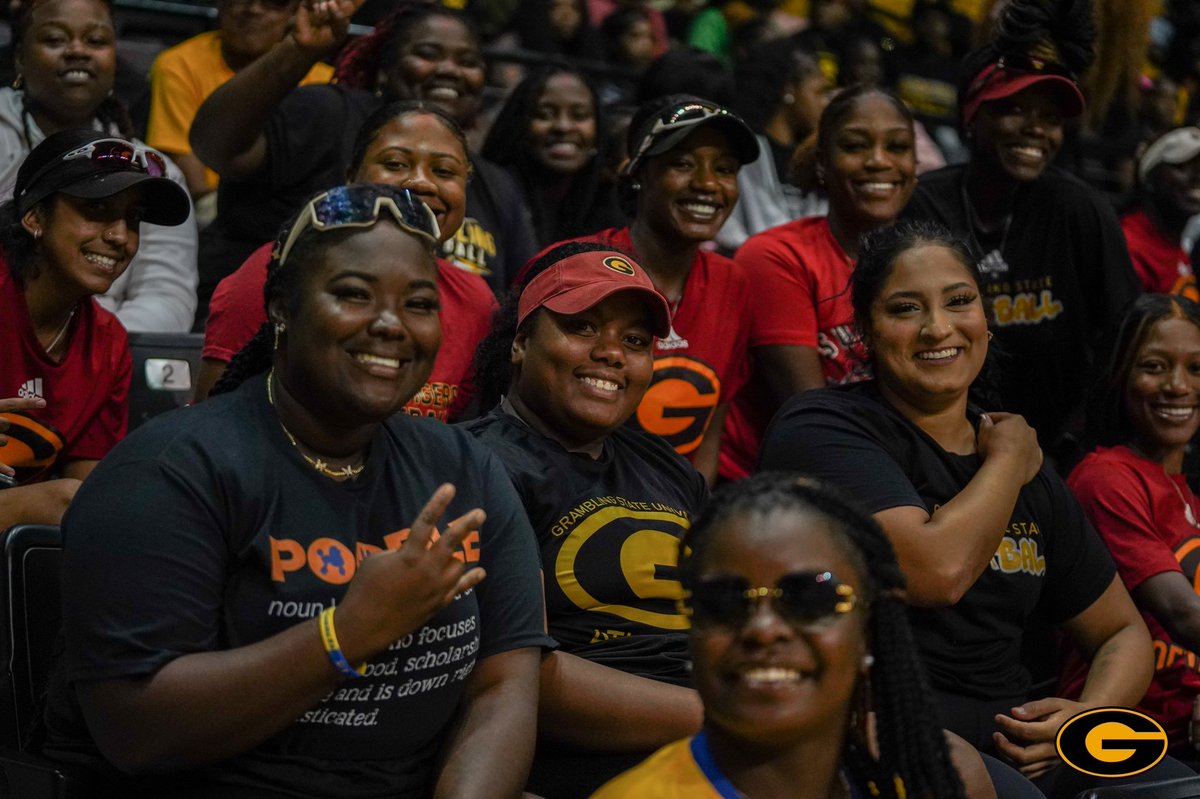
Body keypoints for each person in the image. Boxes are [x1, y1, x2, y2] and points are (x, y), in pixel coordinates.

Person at [40, 184, 550, 796]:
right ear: (281, 305)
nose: (392, 326)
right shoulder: (167, 473)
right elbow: (135, 731)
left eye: (419, 304)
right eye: (354, 295)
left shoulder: (466, 468)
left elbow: (505, 681)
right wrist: (349, 634)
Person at [759, 221, 1159, 797]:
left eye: (959, 301)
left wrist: (1083, 717)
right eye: (905, 308)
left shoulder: (1019, 459)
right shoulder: (824, 428)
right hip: (889, 736)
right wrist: (1007, 462)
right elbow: (934, 573)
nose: (937, 328)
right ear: (866, 332)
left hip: (1023, 741)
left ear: (986, 322)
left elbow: (1123, 631)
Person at [465, 242, 707, 797]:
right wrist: (726, 716)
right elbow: (516, 676)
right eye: (582, 327)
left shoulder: (668, 469)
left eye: (635, 341)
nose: (612, 353)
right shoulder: (474, 463)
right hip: (589, 754)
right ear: (521, 342)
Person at [592, 474, 970, 799]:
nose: (763, 629)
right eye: (722, 602)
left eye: (811, 598)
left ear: (867, 634)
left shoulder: (902, 787)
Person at [900, 0, 1140, 459]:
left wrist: (1080, 438)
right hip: (942, 445)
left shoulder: (1081, 210)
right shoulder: (925, 204)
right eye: (1013, 109)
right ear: (973, 116)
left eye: (1050, 118)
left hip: (1059, 451)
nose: (1036, 130)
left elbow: (1122, 338)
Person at [190, 0, 536, 315]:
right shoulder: (330, 113)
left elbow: (519, 297)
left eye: (468, 61)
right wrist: (298, 50)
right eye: (429, 53)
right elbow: (217, 147)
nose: (450, 70)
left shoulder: (496, 183)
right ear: (384, 71)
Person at [195, 101, 496, 423]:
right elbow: (211, 420)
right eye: (395, 164)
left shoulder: (475, 301)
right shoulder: (276, 272)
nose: (421, 183)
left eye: (444, 171)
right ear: (351, 179)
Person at [720, 86, 917, 481]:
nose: (879, 161)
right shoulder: (776, 257)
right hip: (775, 487)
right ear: (824, 163)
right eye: (857, 146)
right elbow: (813, 418)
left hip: (883, 467)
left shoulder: (924, 263)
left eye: (896, 147)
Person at [0, 130, 190, 530]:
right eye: (97, 208)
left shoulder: (108, 344)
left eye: (132, 218)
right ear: (34, 216)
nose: (120, 236)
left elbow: (92, 498)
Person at [570, 94, 758, 484]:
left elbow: (709, 432)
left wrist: (691, 517)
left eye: (724, 169)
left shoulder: (732, 283)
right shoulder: (576, 268)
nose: (707, 184)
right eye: (682, 164)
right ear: (638, 172)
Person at [1, 0, 199, 333]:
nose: (77, 51)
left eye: (96, 41)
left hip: (107, 352)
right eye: (54, 39)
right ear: (20, 58)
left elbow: (168, 300)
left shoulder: (153, 173)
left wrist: (80, 344)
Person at [1063, 295, 1200, 755]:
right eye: (1155, 366)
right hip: (1126, 737)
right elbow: (1182, 615)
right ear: (1121, 376)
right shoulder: (1106, 478)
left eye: (1196, 369)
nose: (1178, 386)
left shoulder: (1189, 489)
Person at [145, 0, 334, 205]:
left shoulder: (326, 81)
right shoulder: (178, 64)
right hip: (208, 206)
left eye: (273, 3)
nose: (253, 9)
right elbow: (187, 172)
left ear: (296, 13)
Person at [481, 66, 625, 249]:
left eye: (579, 116)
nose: (563, 127)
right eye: (545, 115)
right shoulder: (492, 193)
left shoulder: (612, 205)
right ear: (521, 124)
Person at [716, 39, 829, 253]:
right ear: (790, 91)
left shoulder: (814, 156)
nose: (825, 103)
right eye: (819, 92)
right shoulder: (747, 153)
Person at [1121, 128, 1200, 301]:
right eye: (1181, 166)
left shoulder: (1173, 241)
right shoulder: (1131, 248)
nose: (1196, 177)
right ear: (1151, 178)